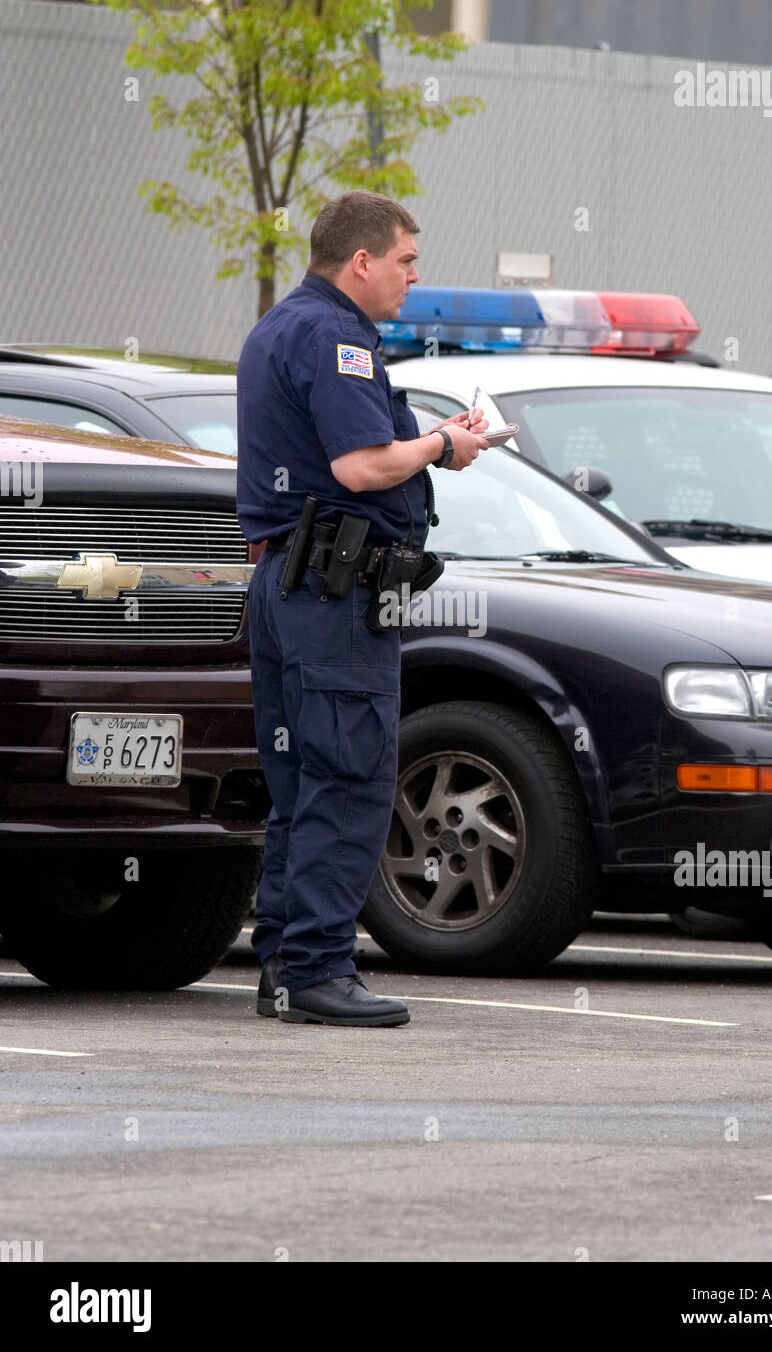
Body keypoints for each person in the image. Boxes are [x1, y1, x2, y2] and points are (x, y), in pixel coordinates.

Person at [236, 190, 489, 1026]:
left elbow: (353, 455)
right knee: (348, 778)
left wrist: (429, 449)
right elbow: (357, 467)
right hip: (332, 594)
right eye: (407, 261)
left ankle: (282, 964)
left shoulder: (279, 325)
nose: (414, 277)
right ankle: (316, 969)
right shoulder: (337, 336)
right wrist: (442, 446)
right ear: (362, 262)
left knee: (303, 782)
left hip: (286, 584)